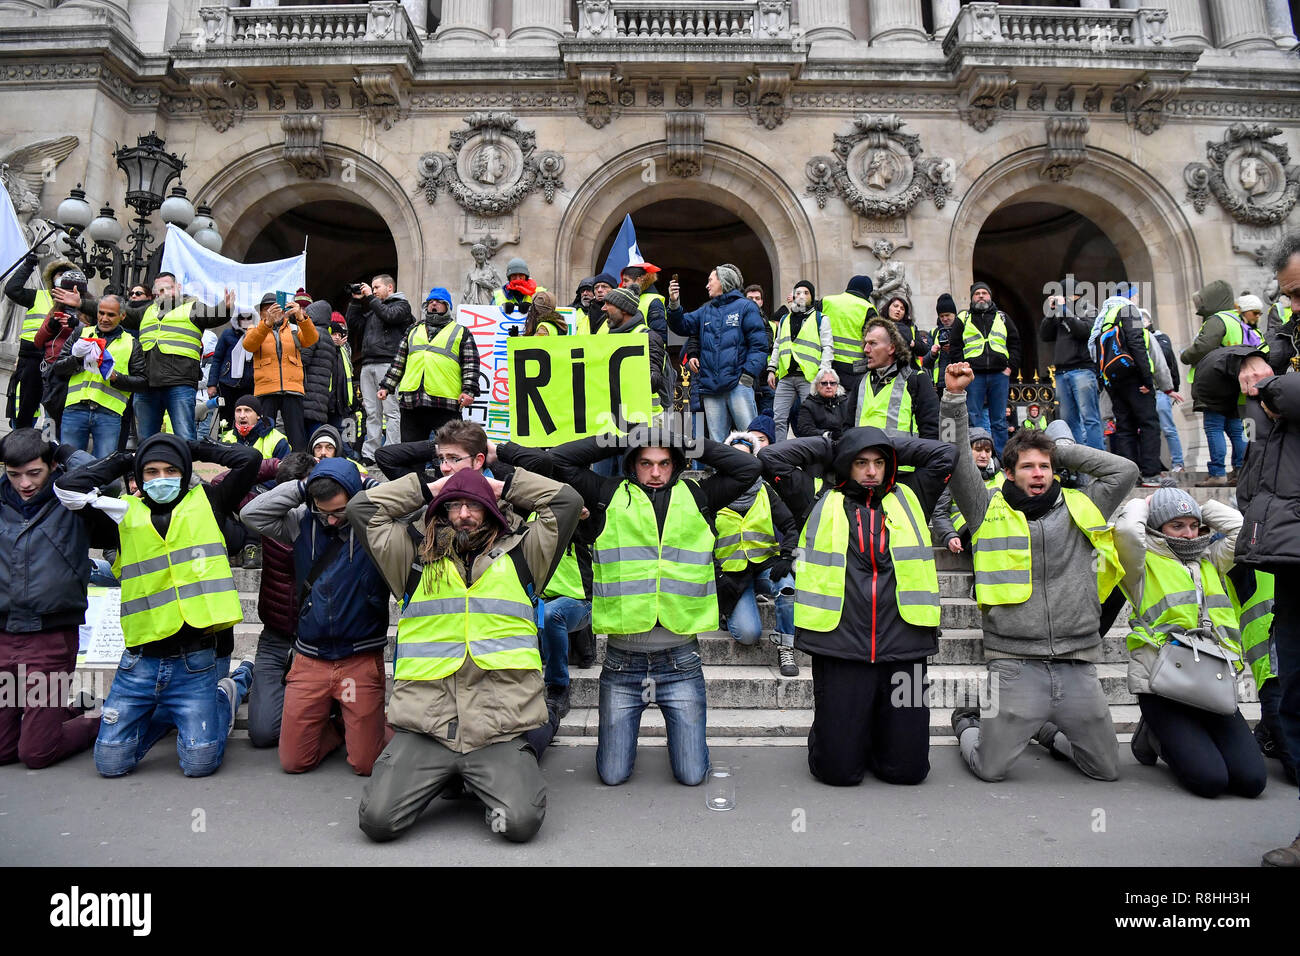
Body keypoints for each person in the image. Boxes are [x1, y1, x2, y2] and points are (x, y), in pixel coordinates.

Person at [349, 463, 581, 843]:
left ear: (491, 508)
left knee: (520, 824)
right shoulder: (410, 557)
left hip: (496, 731)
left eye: (474, 505)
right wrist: (429, 488)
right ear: (439, 511)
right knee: (377, 823)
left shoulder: (525, 555)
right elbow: (362, 508)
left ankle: (524, 742)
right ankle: (453, 777)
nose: (463, 514)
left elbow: (567, 502)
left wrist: (501, 484)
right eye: (453, 505)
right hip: (428, 730)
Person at [942, 361, 1138, 783]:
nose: (1039, 474)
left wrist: (1053, 446)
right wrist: (954, 400)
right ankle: (968, 722)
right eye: (1028, 466)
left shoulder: (1081, 505)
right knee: (991, 769)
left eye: (1045, 467)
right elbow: (956, 461)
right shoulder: (984, 509)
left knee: (1105, 770)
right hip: (1014, 664)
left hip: (1076, 663)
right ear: (1008, 472)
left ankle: (1045, 733)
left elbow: (1125, 471)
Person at [549, 425, 760, 786]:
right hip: (622, 662)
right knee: (612, 775)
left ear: (675, 463)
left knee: (693, 776)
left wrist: (685, 439)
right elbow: (560, 460)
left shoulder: (698, 495)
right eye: (646, 463)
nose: (656, 472)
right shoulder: (607, 493)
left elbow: (748, 468)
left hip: (680, 660)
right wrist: (621, 439)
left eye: (664, 463)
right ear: (633, 465)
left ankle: (681, 743)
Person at [759, 425, 955, 786]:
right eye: (861, 461)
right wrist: (835, 444)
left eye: (879, 462)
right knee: (838, 773)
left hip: (904, 642)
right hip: (840, 645)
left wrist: (881, 439)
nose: (871, 471)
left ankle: (881, 742)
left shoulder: (911, 495)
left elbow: (946, 455)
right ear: (846, 464)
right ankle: (847, 741)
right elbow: (772, 457)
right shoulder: (817, 497)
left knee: (908, 772)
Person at [56, 434, 261, 778]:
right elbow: (67, 489)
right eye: (150, 471)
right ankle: (169, 714)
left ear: (183, 473)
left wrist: (188, 447)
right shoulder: (120, 514)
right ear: (138, 475)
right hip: (140, 662)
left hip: (196, 659)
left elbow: (249, 460)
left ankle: (226, 691)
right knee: (110, 764)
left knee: (199, 764)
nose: (160, 478)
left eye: (170, 470)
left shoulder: (209, 500)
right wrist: (128, 456)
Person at [240, 456, 391, 775]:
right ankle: (340, 729)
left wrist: (367, 487)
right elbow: (250, 514)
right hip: (310, 657)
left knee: (365, 764)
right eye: (324, 512)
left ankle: (367, 731)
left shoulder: (374, 524)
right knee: (294, 762)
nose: (332, 520)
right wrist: (302, 487)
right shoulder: (301, 520)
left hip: (359, 657)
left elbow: (416, 510)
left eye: (340, 511)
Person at [1112, 488, 1266, 799]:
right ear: (1157, 527)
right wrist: (1145, 503)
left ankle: (1185, 737)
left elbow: (1241, 529)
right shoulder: (1139, 564)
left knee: (1251, 782)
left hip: (1211, 683)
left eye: (1194, 525)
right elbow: (1128, 529)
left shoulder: (1211, 557)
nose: (1188, 534)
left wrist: (1201, 507)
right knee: (1209, 781)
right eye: (1177, 525)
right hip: (1163, 685)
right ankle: (1155, 735)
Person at [1228, 232, 1300, 865]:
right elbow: (1237, 369)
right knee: (1297, 681)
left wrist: (1270, 384)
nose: (1292, 306)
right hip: (1288, 540)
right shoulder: (1287, 337)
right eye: (1287, 296)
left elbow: (1283, 393)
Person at [0, 430, 106, 768]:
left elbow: (106, 475)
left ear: (52, 466)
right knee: (3, 751)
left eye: (34, 473)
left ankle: (107, 718)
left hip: (50, 639)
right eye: (14, 474)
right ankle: (66, 709)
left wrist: (63, 449)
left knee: (35, 753)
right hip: (4, 637)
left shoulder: (71, 500)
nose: (24, 484)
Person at [76, 272, 236, 443]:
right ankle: (149, 469)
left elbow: (213, 315)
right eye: (159, 290)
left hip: (179, 383)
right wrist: (81, 303)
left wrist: (226, 308)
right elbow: (115, 311)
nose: (164, 293)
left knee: (185, 438)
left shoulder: (193, 307)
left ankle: (185, 470)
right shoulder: (147, 310)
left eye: (168, 288)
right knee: (146, 439)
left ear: (178, 288)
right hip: (147, 384)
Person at [237, 451, 315, 749]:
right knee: (263, 734)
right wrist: (279, 470)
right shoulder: (270, 520)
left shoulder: (330, 521)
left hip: (318, 643)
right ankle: (243, 678)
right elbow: (223, 485)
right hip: (276, 638)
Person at [716, 431, 801, 676]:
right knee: (747, 635)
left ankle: (786, 647)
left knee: (787, 587)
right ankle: (729, 608)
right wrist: (716, 570)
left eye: (746, 459)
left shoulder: (765, 490)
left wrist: (787, 556)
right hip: (732, 574)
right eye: (734, 458)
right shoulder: (715, 491)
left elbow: (790, 526)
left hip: (765, 566)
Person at [666, 264, 769, 443]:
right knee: (717, 443)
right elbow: (681, 325)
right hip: (711, 388)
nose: (707, 285)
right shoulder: (705, 310)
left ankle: (756, 472)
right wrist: (674, 303)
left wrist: (747, 376)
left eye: (710, 280)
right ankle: (721, 473)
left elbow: (759, 346)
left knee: (750, 438)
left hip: (738, 384)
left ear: (724, 281)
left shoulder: (746, 307)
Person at [1181, 279, 1259, 486]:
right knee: (1236, 429)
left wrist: (1185, 355)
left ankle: (1217, 473)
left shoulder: (1218, 320)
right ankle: (1241, 472)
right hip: (1234, 382)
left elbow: (1202, 347)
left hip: (1215, 383)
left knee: (1214, 427)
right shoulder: (1238, 319)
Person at [50, 294, 146, 458]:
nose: (104, 318)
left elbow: (142, 382)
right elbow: (58, 368)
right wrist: (78, 359)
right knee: (68, 464)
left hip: (109, 413)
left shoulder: (132, 343)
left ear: (122, 316)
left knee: (104, 469)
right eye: (101, 313)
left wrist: (116, 377)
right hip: (75, 408)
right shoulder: (81, 333)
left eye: (111, 314)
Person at [379, 286, 478, 443]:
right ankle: (414, 469)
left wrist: (468, 391)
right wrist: (386, 386)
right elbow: (399, 361)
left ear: (447, 306)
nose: (433, 304)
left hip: (445, 402)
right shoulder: (412, 330)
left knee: (449, 450)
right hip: (412, 402)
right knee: (411, 452)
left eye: (438, 302)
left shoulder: (461, 332)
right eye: (430, 302)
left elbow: (470, 365)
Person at [1094, 285, 1162, 486]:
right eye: (1136, 296)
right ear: (1130, 297)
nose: (1137, 300)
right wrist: (1147, 380)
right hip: (1134, 377)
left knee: (1125, 428)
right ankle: (1151, 474)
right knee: (1149, 424)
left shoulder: (1106, 315)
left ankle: (1130, 476)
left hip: (1114, 379)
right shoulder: (1128, 310)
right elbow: (1136, 344)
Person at [4, 256, 82, 430]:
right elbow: (12, 289)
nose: (62, 277)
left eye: (67, 274)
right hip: (32, 357)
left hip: (60, 361)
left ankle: (50, 447)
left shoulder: (81, 303)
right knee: (26, 406)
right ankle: (22, 445)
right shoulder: (37, 296)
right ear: (52, 278)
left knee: (53, 412)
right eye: (59, 274)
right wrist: (28, 265)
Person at [241, 291, 318, 452]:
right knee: (264, 431)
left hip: (292, 388)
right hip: (266, 389)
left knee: (296, 434)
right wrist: (266, 323)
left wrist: (301, 317)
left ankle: (300, 466)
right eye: (269, 309)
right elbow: (249, 345)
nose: (274, 312)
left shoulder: (294, 329)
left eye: (277, 308)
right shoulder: (254, 329)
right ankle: (262, 463)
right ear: (262, 312)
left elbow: (311, 339)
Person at [348, 274, 412, 463]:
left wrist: (370, 298)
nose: (373, 291)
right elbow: (354, 325)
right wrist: (356, 302)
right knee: (372, 412)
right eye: (372, 288)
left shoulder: (402, 306)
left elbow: (389, 316)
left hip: (389, 364)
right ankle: (370, 453)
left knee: (391, 411)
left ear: (390, 288)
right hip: (368, 364)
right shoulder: (374, 310)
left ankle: (392, 451)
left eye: (377, 287)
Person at [846, 316, 939, 447]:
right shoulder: (860, 381)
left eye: (873, 343)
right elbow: (847, 427)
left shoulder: (917, 380)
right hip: (865, 465)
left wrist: (923, 467)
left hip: (902, 466)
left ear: (891, 348)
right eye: (866, 343)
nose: (866, 349)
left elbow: (932, 432)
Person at [953, 282, 1021, 457]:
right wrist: (963, 368)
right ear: (972, 298)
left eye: (984, 293)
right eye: (977, 294)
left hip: (999, 374)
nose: (981, 296)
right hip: (974, 375)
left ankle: (1001, 458)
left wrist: (1010, 368)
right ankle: (976, 457)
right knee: (974, 418)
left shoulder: (1003, 317)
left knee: (999, 420)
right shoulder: (963, 318)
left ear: (990, 297)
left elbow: (1015, 342)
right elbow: (955, 346)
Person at [767, 280, 832, 442]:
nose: (801, 296)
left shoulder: (820, 319)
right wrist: (771, 369)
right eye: (798, 293)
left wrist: (823, 373)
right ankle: (780, 455)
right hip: (786, 377)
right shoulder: (784, 320)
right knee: (779, 419)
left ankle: (811, 455)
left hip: (809, 378)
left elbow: (828, 347)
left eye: (806, 293)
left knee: (811, 419)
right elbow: (777, 346)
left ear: (812, 297)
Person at [1041, 288, 1104, 449]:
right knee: (1069, 421)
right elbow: (1045, 335)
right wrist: (1051, 312)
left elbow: (1084, 331)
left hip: (1082, 370)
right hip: (1062, 373)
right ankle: (1078, 465)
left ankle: (1097, 460)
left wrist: (1064, 309)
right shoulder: (1059, 312)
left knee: (1090, 418)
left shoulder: (1088, 309)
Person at [599, 286, 671, 414]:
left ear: (624, 309)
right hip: (618, 414)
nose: (603, 308)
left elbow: (653, 381)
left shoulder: (649, 337)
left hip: (647, 417)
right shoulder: (608, 337)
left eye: (608, 304)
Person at [930, 427, 999, 555]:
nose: (983, 455)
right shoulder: (953, 476)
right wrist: (949, 535)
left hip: (998, 528)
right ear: (967, 451)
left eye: (988, 450)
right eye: (978, 450)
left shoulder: (1003, 476)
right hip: (966, 531)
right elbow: (939, 512)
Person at [1142, 309, 1186, 472]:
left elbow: (1165, 359)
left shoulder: (1160, 338)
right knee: (1147, 430)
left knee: (1167, 428)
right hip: (1145, 391)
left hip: (1160, 390)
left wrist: (1171, 388)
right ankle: (1153, 464)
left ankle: (1178, 463)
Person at [299, 299, 349, 443]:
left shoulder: (314, 334)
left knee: (307, 436)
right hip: (320, 396)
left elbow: (303, 360)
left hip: (308, 393)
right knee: (316, 432)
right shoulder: (327, 337)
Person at [819, 275, 879, 379]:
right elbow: (873, 341)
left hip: (825, 361)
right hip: (854, 367)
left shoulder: (826, 301)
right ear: (868, 292)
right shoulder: (868, 308)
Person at [207, 309, 258, 432]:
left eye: (249, 318)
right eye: (242, 318)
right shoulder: (227, 334)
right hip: (227, 384)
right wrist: (212, 384)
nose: (246, 321)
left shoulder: (257, 334)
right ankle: (224, 444)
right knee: (225, 420)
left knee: (246, 418)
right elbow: (217, 359)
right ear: (237, 319)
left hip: (249, 384)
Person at [220, 394, 290, 461]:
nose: (242, 416)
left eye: (247, 410)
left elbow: (285, 470)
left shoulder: (278, 440)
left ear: (258, 415)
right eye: (238, 410)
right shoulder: (225, 438)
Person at [795, 368, 850, 440]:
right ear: (817, 386)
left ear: (837, 386)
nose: (829, 386)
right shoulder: (808, 405)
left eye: (832, 383)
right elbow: (804, 429)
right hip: (820, 444)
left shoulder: (846, 402)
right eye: (824, 383)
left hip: (845, 442)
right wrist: (826, 434)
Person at [923, 293, 959, 393]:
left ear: (954, 314)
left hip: (960, 380)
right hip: (940, 384)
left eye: (947, 315)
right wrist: (933, 353)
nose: (944, 319)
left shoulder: (963, 330)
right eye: (941, 316)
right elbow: (925, 363)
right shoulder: (934, 333)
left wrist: (953, 349)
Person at [621, 261, 668, 339]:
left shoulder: (654, 301)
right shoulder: (634, 298)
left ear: (639, 280)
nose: (623, 285)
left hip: (645, 350)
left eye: (626, 280)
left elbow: (659, 336)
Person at [884, 294, 928, 372]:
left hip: (910, 370)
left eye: (902, 308)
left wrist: (913, 343)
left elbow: (924, 350)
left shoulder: (911, 327)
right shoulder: (879, 324)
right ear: (888, 308)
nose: (898, 310)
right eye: (895, 306)